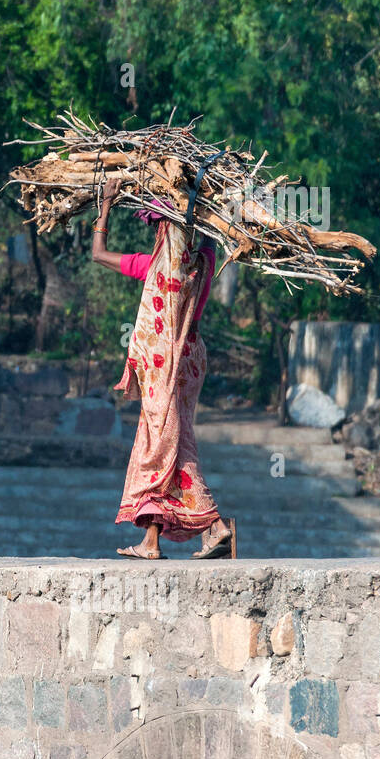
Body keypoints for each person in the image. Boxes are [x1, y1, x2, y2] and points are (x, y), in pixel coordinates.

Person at [91, 178, 236, 560]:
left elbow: (97, 252)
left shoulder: (165, 265)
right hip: (191, 360)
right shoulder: (205, 260)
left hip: (168, 363)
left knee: (167, 443)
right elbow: (201, 234)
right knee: (163, 440)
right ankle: (152, 541)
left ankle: (217, 525)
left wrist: (104, 207)